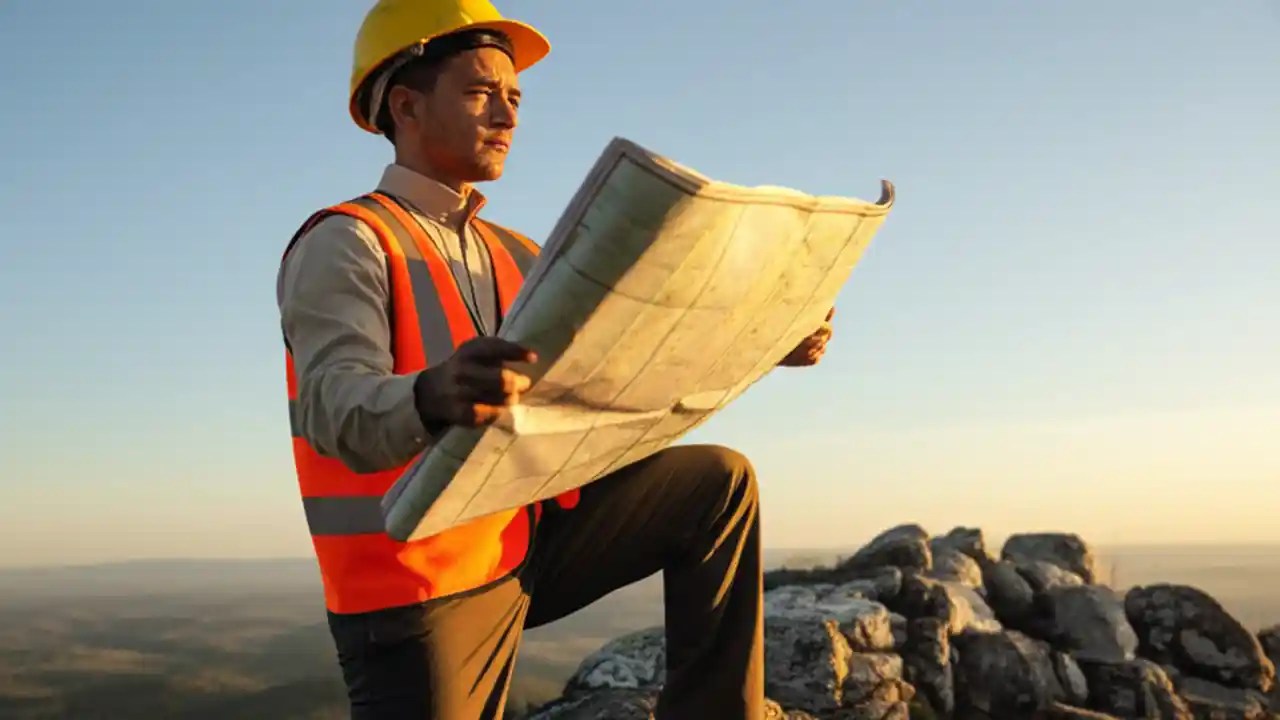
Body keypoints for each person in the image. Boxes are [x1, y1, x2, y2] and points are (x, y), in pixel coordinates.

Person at [275, 1, 835, 718]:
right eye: (481, 92)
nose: (507, 114)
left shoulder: (520, 253)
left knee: (718, 485)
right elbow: (333, 407)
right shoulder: (347, 241)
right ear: (406, 106)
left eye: (514, 97)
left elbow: (631, 368)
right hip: (418, 585)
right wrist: (431, 394)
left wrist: (766, 343)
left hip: (529, 540)